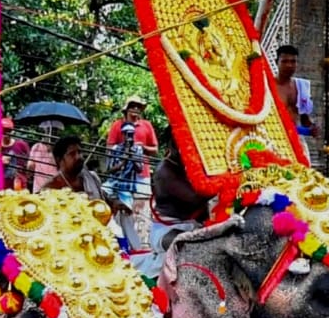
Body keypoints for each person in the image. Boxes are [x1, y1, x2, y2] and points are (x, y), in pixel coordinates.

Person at [43, 136, 137, 245]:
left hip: (101, 239)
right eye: (72, 154)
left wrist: (115, 203)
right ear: (59, 160)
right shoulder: (51, 187)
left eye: (80, 152)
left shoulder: (91, 177)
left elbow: (104, 199)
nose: (79, 157)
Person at [148, 125, 213, 253]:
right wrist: (227, 181)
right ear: (172, 145)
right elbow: (196, 197)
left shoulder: (191, 168)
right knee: (190, 245)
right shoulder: (165, 172)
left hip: (197, 227)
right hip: (168, 231)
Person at [105, 96, 158, 237]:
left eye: (138, 107)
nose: (135, 110)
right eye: (133, 106)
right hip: (120, 179)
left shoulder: (146, 125)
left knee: (141, 211)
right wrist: (123, 151)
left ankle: (141, 240)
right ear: (126, 109)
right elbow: (109, 149)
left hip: (141, 176)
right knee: (117, 210)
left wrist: (139, 148)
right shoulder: (117, 125)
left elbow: (155, 150)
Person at [276, 45, 315, 141]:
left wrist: (312, 128)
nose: (289, 65)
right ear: (277, 62)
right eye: (284, 61)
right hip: (273, 138)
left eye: (293, 61)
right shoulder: (268, 85)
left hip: (295, 139)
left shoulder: (301, 86)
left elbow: (305, 119)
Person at [27, 119, 63, 191]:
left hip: (55, 189)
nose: (52, 134)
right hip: (39, 188)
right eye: (49, 131)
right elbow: (30, 167)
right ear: (45, 132)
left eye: (55, 131)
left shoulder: (61, 148)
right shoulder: (36, 147)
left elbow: (64, 169)